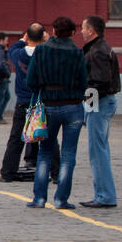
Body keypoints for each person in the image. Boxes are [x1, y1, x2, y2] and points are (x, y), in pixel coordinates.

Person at [25, 15, 88, 209]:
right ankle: (61, 199)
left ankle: (39, 199)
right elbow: (84, 83)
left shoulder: (41, 51)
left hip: (48, 106)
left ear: (53, 30)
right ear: (72, 32)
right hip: (73, 107)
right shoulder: (77, 53)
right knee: (69, 155)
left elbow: (30, 82)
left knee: (45, 152)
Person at [0, 22, 56, 182]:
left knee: (16, 138)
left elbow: (10, 51)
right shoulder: (47, 52)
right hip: (42, 99)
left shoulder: (18, 54)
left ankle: (8, 171)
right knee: (49, 136)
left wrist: (21, 40)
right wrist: (48, 38)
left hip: (23, 100)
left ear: (27, 36)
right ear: (43, 36)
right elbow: (56, 49)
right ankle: (56, 172)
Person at [79, 14, 118, 209]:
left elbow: (99, 83)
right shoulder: (101, 48)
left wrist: (87, 103)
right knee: (100, 149)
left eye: (84, 28)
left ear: (91, 31)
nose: (82, 31)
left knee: (98, 151)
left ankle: (104, 196)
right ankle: (104, 194)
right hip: (101, 101)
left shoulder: (97, 52)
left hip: (99, 102)